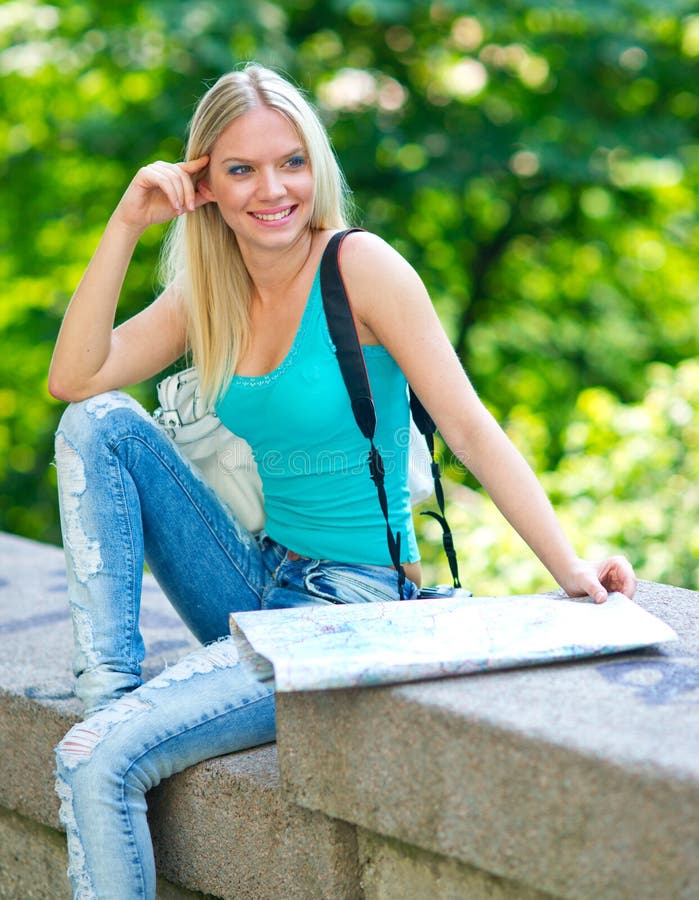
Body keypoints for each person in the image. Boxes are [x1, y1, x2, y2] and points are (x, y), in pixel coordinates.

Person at [48, 62, 636, 899]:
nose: (271, 189)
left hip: (352, 605)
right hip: (259, 578)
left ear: (315, 165)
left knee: (95, 762)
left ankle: (106, 728)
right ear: (202, 183)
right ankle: (106, 693)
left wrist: (570, 572)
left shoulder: (359, 268)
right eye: (241, 169)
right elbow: (77, 379)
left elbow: (468, 427)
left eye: (290, 161)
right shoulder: (210, 290)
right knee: (96, 424)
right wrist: (126, 221)